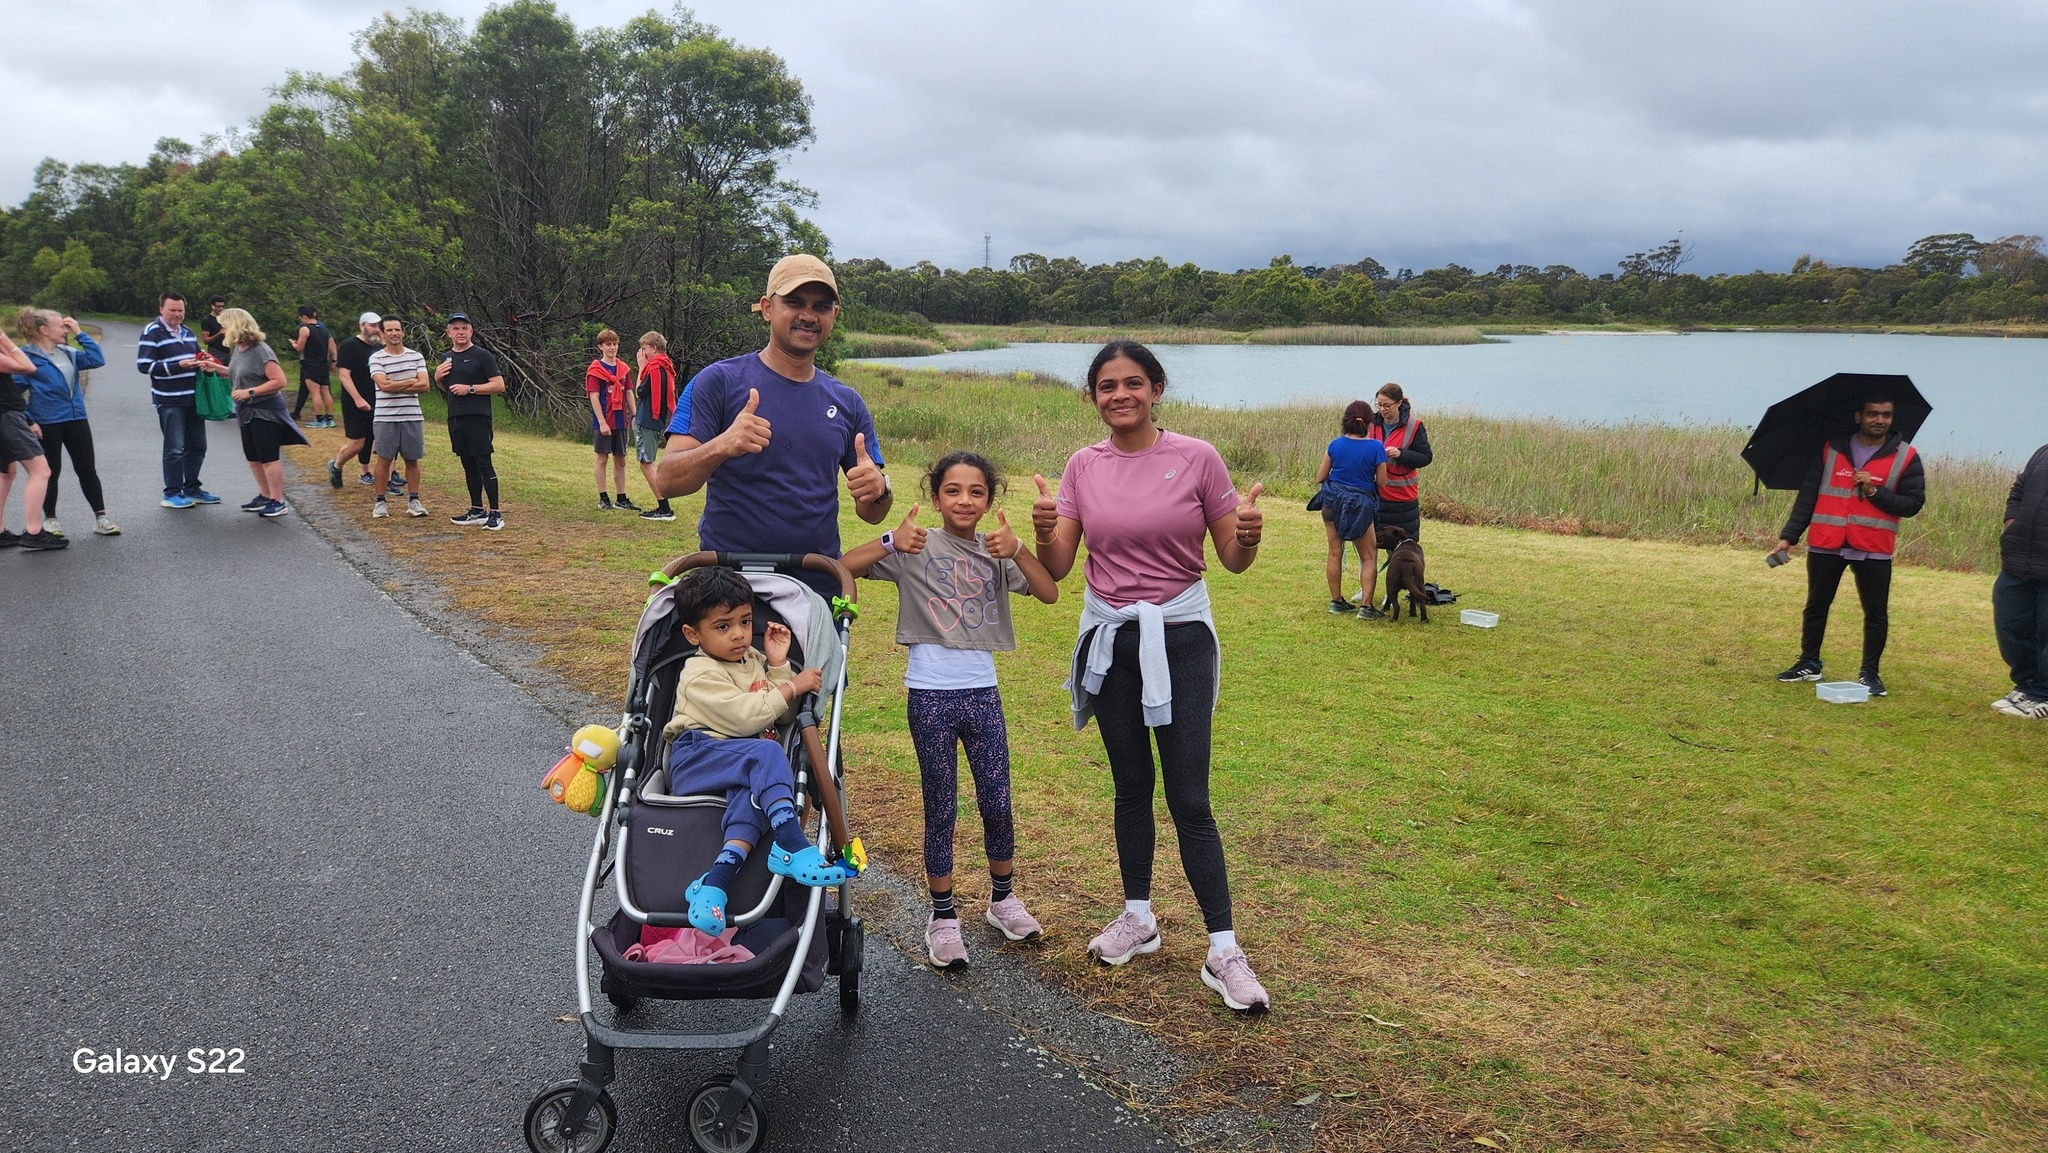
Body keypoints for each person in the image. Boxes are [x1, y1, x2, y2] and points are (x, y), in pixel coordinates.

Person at [1029, 339, 1271, 1013]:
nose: (1121, 395)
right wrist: (1044, 529)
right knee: (1131, 785)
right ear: (1093, 397)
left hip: (1182, 640)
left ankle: (1224, 950)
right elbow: (1057, 567)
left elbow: (1231, 558)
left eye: (1133, 382)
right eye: (1107, 386)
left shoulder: (1197, 457)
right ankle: (1138, 917)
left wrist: (1249, 535)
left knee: (1190, 796)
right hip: (1112, 643)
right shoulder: (1083, 465)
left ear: (1156, 389)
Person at [841, 451, 1059, 969]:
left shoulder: (997, 550)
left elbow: (1049, 591)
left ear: (989, 500)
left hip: (983, 694)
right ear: (936, 498)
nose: (965, 500)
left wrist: (1019, 548)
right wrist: (890, 540)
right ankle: (942, 917)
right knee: (941, 807)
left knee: (997, 803)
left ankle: (1003, 900)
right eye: (953, 490)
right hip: (930, 696)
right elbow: (842, 567)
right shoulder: (915, 545)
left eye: (976, 491)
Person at [655, 254, 893, 595]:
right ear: (767, 308)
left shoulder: (848, 402)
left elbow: (872, 514)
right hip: (728, 587)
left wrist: (879, 489)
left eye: (821, 306)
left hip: (814, 588)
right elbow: (667, 482)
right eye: (794, 302)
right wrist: (722, 445)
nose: (808, 316)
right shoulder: (718, 382)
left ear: (834, 316)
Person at [661, 565, 855, 935]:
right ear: (692, 634)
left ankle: (714, 883)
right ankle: (791, 843)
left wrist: (778, 666)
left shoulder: (751, 660)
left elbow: (783, 717)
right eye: (723, 626)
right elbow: (745, 717)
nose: (738, 634)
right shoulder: (698, 673)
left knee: (752, 803)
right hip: (698, 758)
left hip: (738, 766)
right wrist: (792, 687)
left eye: (746, 622)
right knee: (766, 752)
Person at [1771, 395, 1926, 697]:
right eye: (1872, 414)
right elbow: (1808, 496)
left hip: (1874, 545)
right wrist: (1788, 537)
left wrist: (1874, 491)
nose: (1879, 420)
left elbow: (1912, 504)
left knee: (1875, 613)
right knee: (1816, 606)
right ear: (1858, 416)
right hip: (1826, 542)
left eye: (1886, 415)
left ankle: (1870, 673)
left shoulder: (1907, 456)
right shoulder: (1831, 448)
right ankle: (1809, 663)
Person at [14, 308, 117, 537]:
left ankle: (101, 518)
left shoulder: (68, 352)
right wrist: (29, 420)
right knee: (51, 472)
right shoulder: (26, 356)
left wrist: (80, 333)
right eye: (61, 326)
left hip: (76, 418)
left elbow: (96, 359)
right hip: (46, 421)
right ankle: (50, 520)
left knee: (87, 468)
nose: (65, 329)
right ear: (44, 330)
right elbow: (14, 392)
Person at [212, 308, 306, 518]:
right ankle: (265, 495)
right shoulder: (240, 348)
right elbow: (242, 373)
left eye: (224, 325)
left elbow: (279, 381)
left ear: (236, 325)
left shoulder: (261, 350)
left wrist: (250, 392)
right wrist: (216, 368)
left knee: (268, 458)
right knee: (253, 458)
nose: (222, 330)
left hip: (265, 411)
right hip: (246, 411)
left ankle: (278, 501)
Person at [136, 291, 218, 509]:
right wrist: (177, 366)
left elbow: (197, 353)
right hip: (170, 401)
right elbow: (144, 365)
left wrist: (203, 358)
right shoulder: (152, 332)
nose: (177, 314)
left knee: (198, 446)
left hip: (193, 399)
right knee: (174, 448)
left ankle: (192, 488)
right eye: (172, 310)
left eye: (180, 310)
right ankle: (172, 493)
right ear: (161, 309)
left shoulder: (188, 332)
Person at [1316, 399, 1391, 617]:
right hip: (1360, 506)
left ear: (1345, 421)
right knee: (1368, 555)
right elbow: (1382, 482)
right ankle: (1366, 607)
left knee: (1334, 552)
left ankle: (1336, 601)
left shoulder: (1335, 445)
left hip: (1332, 503)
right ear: (1369, 423)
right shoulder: (1376, 447)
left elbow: (1320, 477)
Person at [1992, 441, 2048, 719]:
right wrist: (2011, 523)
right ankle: (2025, 685)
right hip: (2019, 559)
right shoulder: (2043, 452)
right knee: (2011, 625)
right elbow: (2018, 489)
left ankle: (2042, 694)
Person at [434, 312, 506, 531]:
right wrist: (437, 379)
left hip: (478, 416)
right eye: (455, 328)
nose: (460, 332)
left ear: (471, 331)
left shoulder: (482, 355)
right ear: (448, 333)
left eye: (464, 328)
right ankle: (476, 509)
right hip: (456, 417)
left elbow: (498, 385)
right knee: (468, 464)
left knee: (483, 463)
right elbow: (450, 390)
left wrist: (471, 389)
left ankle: (495, 513)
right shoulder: (446, 358)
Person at [0, 324, 65, 550]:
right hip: (7, 415)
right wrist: (3, 338)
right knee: (41, 470)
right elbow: (27, 366)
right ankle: (34, 531)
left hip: (8, 414)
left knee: (6, 473)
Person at [1365, 382, 1433, 569]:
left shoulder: (1414, 426)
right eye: (1379, 405)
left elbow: (1426, 457)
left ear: (1399, 403)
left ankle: (1396, 584)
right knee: (1369, 548)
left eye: (1387, 405)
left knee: (1399, 553)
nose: (1382, 409)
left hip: (1402, 500)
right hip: (1374, 496)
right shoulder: (1371, 424)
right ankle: (1367, 585)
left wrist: (1401, 454)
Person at [367, 316, 429, 519]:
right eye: (389, 330)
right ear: (382, 334)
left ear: (403, 332)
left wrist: (395, 384)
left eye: (397, 329)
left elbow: (424, 385)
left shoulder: (416, 356)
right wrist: (411, 381)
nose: (394, 333)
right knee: (384, 459)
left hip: (412, 416)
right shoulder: (377, 358)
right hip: (385, 417)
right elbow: (383, 385)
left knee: (412, 460)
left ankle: (414, 501)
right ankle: (380, 502)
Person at [587, 329, 639, 511]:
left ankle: (621, 498)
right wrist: (602, 422)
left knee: (621, 459)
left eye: (615, 344)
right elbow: (594, 396)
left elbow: (628, 392)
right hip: (604, 419)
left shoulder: (623, 369)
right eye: (608, 344)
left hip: (620, 420)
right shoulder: (595, 370)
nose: (612, 348)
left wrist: (634, 415)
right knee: (602, 458)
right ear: (600, 346)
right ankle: (603, 497)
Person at [328, 312, 382, 489]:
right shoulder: (350, 346)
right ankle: (336, 465)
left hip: (376, 400)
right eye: (372, 326)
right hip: (354, 402)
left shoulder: (378, 347)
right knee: (356, 444)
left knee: (371, 439)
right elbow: (344, 375)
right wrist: (358, 399)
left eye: (378, 326)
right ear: (362, 326)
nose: (376, 329)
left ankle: (365, 473)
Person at [632, 331, 678, 522]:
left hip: (647, 420)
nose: (642, 353)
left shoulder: (653, 368)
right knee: (647, 462)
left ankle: (664, 508)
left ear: (654, 348)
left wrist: (641, 368)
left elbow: (639, 392)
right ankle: (663, 506)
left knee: (646, 463)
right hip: (656, 419)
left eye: (644, 348)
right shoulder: (666, 366)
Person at [289, 306, 336, 429]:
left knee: (315, 392)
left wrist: (294, 344)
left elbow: (300, 347)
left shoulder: (305, 329)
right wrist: (333, 359)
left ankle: (319, 419)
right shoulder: (324, 328)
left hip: (311, 364)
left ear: (304, 317)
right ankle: (330, 418)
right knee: (325, 391)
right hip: (323, 363)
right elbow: (331, 344)